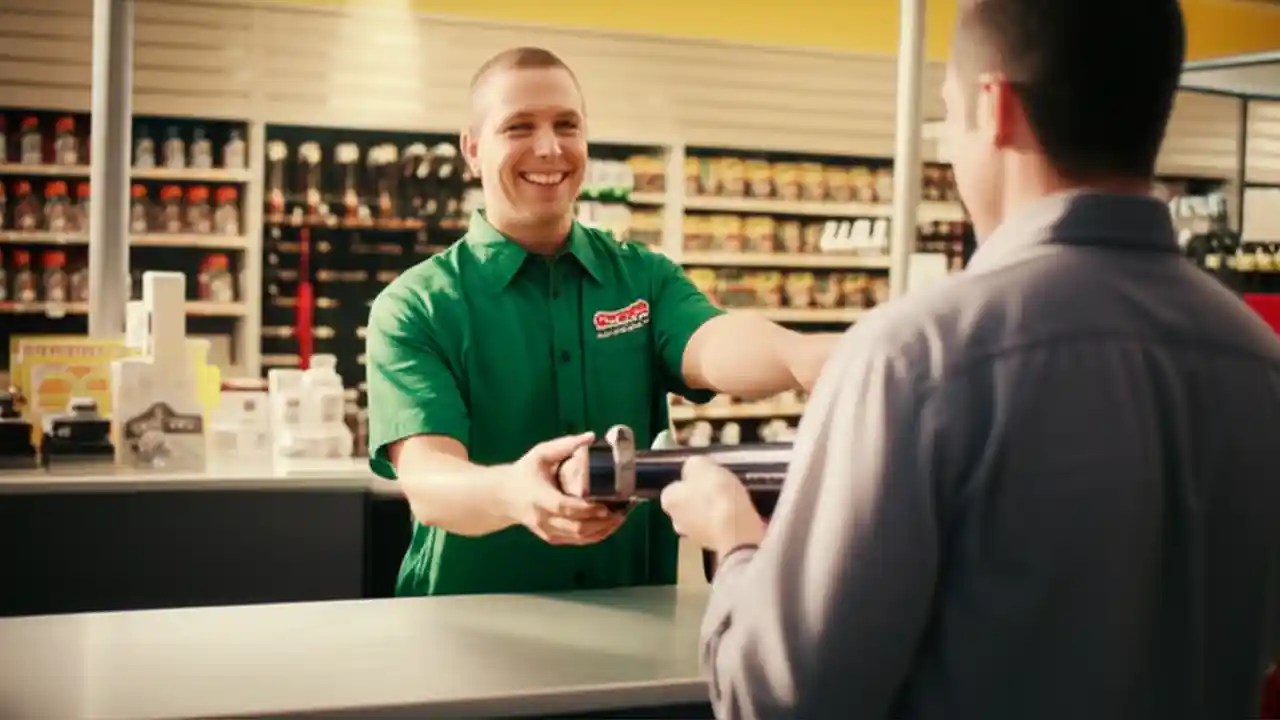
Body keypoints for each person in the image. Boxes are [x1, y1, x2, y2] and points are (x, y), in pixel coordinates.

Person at [660, 1, 1280, 718]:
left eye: (948, 115)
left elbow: (782, 698)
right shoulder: (1259, 363)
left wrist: (735, 542)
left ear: (995, 107)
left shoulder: (913, 359)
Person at [364, 46, 838, 597]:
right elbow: (428, 480)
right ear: (472, 150)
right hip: (468, 625)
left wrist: (801, 358)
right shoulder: (416, 306)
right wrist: (515, 493)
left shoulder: (642, 277)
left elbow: (712, 343)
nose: (549, 147)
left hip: (633, 611)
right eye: (519, 127)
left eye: (567, 125)